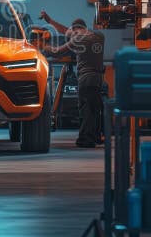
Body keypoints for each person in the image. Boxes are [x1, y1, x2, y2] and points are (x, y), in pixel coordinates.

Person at [40, 10, 105, 148]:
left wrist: (43, 46)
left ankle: (85, 140)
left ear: (75, 30)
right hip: (99, 78)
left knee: (86, 110)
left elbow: (57, 52)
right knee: (95, 109)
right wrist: (50, 21)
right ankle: (96, 136)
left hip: (86, 78)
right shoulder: (98, 36)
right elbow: (66, 31)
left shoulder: (77, 40)